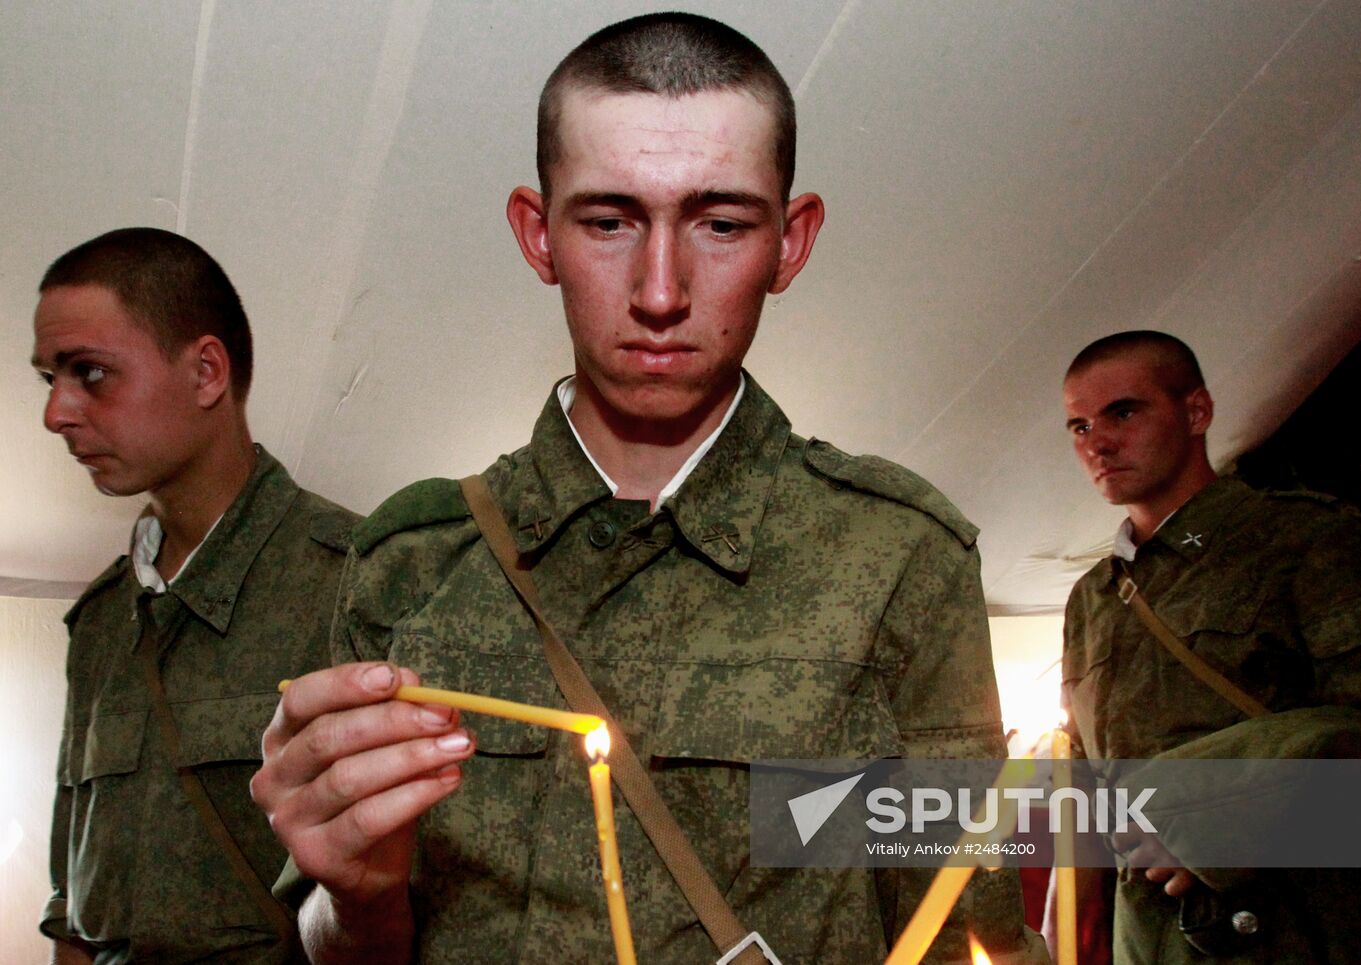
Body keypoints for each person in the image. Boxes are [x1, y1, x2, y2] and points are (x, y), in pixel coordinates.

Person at [252, 13, 1046, 965]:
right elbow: (333, 947)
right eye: (608, 220)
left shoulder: (898, 558)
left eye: (719, 223)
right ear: (537, 234)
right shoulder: (412, 561)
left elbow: (966, 927)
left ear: (789, 245)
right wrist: (361, 894)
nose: (661, 290)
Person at [32, 227, 359, 963]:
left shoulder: (357, 584)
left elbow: (402, 901)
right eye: (48, 377)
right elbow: (74, 905)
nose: (56, 412)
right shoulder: (100, 623)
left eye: (89, 373)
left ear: (206, 371)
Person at [1058, 330, 1361, 963]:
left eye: (1124, 412)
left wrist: (1214, 821)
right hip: (1155, 936)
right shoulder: (1092, 599)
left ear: (1196, 412)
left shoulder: (1303, 543)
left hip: (1296, 930)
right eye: (1078, 427)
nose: (1097, 443)